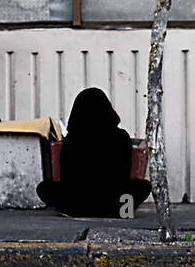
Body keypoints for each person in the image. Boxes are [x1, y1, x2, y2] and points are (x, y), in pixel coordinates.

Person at [36, 88, 151, 218]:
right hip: (115, 206)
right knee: (144, 186)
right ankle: (123, 210)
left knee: (44, 188)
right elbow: (124, 173)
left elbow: (66, 177)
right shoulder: (121, 137)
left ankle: (69, 209)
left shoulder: (71, 140)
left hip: (76, 205)